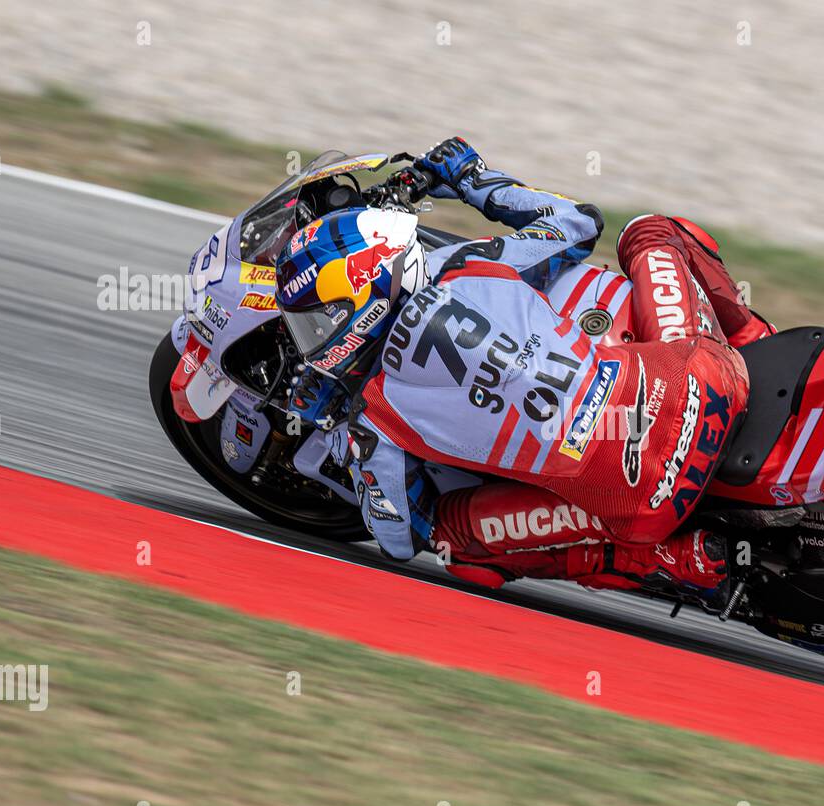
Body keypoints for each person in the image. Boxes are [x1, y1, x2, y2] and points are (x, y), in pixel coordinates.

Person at [273, 138, 774, 599]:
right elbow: (578, 223)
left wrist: (338, 428)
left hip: (646, 498)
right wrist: (472, 180)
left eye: (319, 322)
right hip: (706, 379)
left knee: (455, 546)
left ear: (366, 305)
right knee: (651, 231)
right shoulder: (467, 264)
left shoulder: (374, 415)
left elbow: (399, 538)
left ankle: (674, 557)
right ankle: (753, 340)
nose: (313, 339)